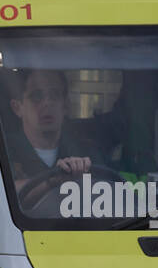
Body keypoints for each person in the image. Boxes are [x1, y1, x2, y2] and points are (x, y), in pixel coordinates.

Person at [6, 69, 102, 197]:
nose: (47, 103)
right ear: (17, 107)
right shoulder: (1, 150)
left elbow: (108, 190)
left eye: (55, 95)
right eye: (36, 96)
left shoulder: (86, 151)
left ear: (65, 106)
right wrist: (51, 182)